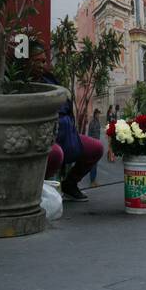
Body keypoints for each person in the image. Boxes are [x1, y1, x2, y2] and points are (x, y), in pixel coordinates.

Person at [41, 70, 103, 201]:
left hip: (68, 135)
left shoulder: (50, 78)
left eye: (43, 61)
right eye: (37, 60)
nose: (41, 65)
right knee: (55, 153)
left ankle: (70, 184)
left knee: (96, 147)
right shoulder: (27, 83)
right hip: (44, 137)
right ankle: (38, 191)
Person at [87, 108, 102, 186]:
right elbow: (89, 135)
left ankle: (93, 180)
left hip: (96, 144)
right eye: (98, 114)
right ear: (95, 114)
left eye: (99, 114)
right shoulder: (92, 123)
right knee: (93, 164)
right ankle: (92, 181)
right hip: (93, 145)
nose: (99, 115)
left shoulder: (98, 122)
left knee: (95, 163)